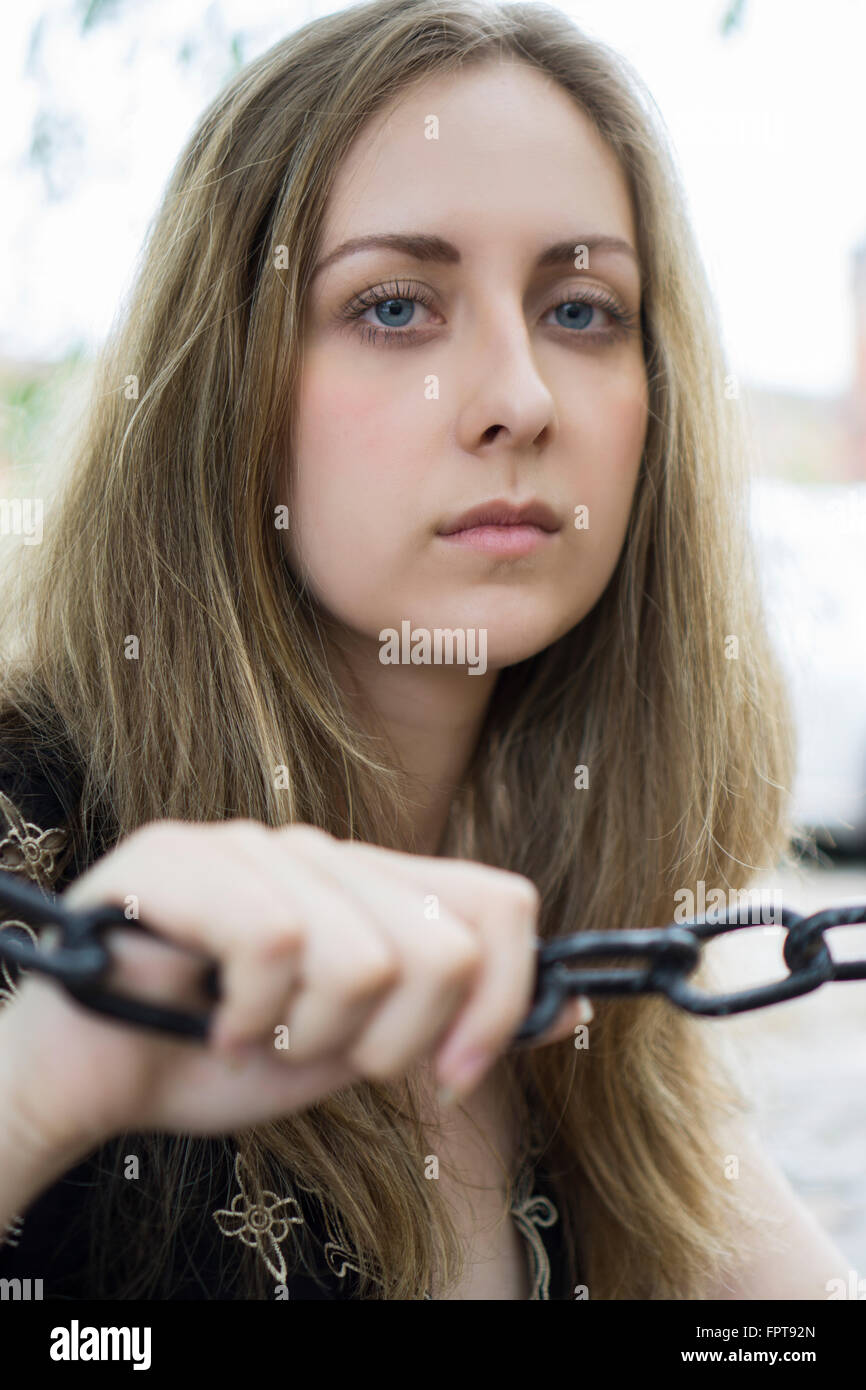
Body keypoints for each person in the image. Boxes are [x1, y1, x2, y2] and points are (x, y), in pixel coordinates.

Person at [0, 0, 850, 1301]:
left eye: (580, 310)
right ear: (223, 379)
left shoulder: (586, 952)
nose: (516, 397)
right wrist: (40, 1092)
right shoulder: (26, 846)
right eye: (394, 307)